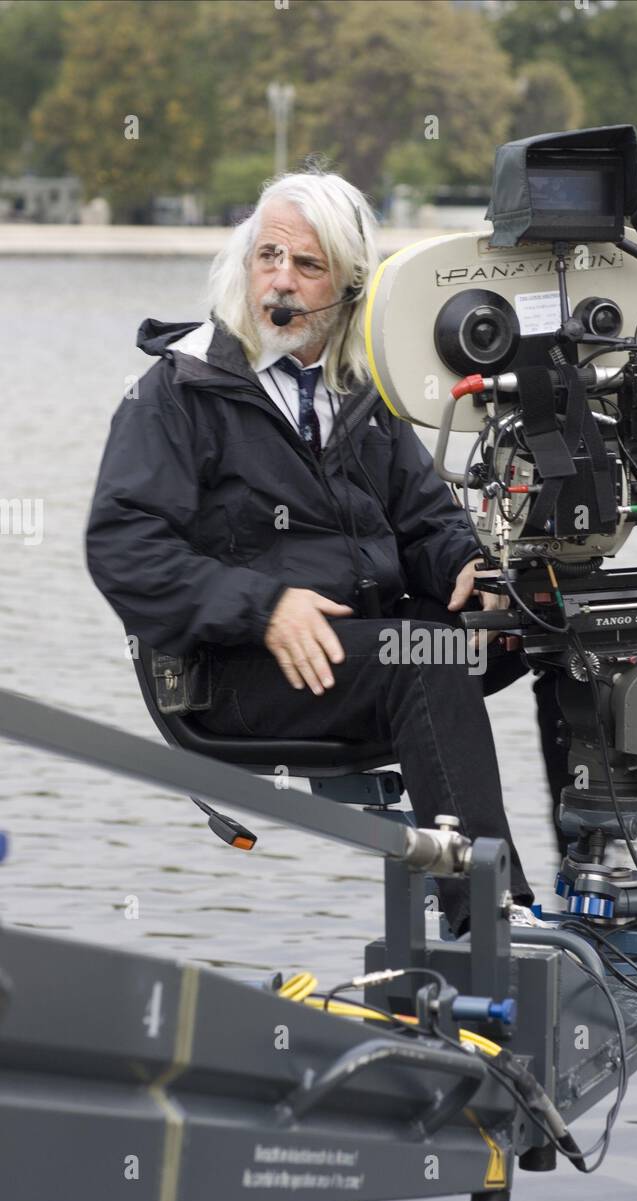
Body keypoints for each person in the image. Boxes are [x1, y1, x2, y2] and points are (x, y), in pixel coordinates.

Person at [86, 162, 573, 936]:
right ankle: (490, 918)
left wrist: (465, 569)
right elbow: (123, 547)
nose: (281, 282)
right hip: (234, 671)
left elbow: (424, 520)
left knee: (555, 615)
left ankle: (605, 873)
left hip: (357, 648)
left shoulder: (360, 393)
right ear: (244, 265)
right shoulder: (177, 392)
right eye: (268, 257)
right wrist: (264, 607)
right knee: (423, 656)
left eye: (307, 266)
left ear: (349, 289)